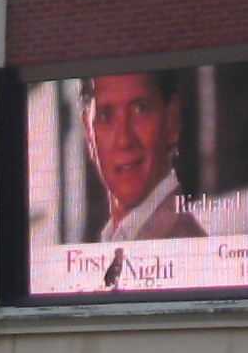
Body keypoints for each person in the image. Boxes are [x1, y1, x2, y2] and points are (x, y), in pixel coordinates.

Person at [83, 72, 206, 242]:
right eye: (106, 116)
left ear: (172, 120)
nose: (124, 140)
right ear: (89, 132)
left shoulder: (188, 247)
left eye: (140, 110)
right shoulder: (111, 239)